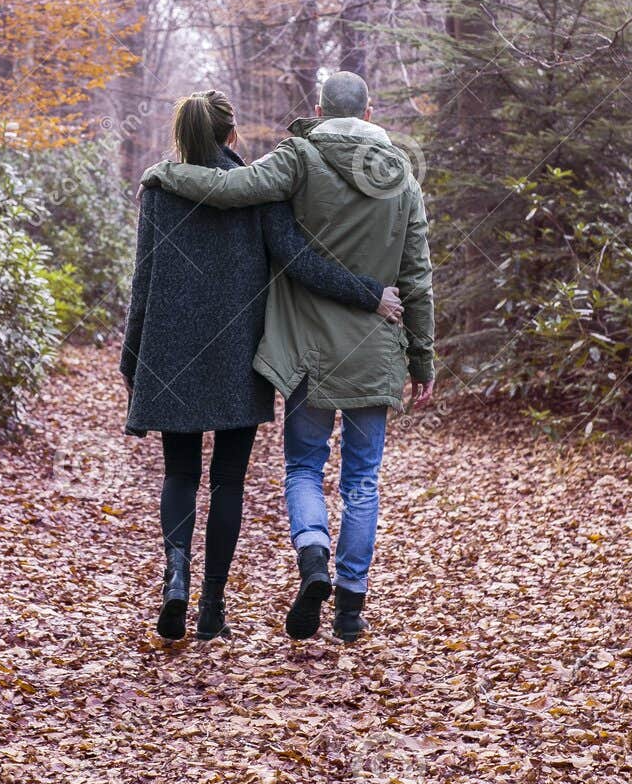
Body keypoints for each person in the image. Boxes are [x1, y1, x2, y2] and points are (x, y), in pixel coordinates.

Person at [141, 71, 435, 643]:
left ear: (321, 110)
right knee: (363, 480)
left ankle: (313, 561)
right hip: (374, 351)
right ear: (370, 114)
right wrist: (422, 357)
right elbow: (416, 276)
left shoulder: (297, 156)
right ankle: (349, 608)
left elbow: (230, 190)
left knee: (303, 467)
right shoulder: (402, 176)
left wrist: (166, 170)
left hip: (307, 351)